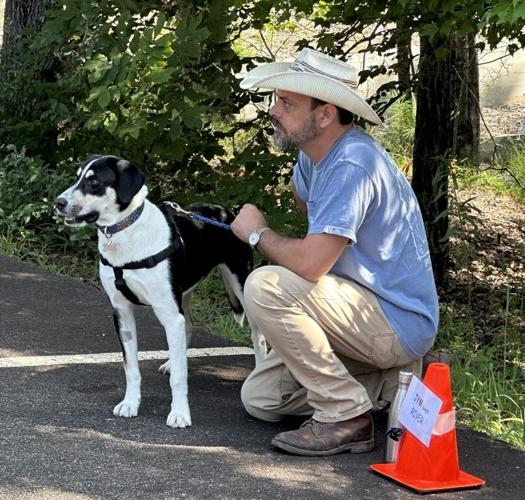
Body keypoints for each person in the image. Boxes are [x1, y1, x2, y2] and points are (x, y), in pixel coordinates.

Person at [230, 48, 439, 456]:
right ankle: (397, 379)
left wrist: (257, 235)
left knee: (265, 285)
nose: (274, 111)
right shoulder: (312, 159)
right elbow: (315, 221)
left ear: (325, 114)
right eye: (276, 99)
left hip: (394, 318)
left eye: (287, 103)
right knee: (261, 399)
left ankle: (346, 415)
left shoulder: (353, 163)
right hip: (356, 311)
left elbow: (311, 263)